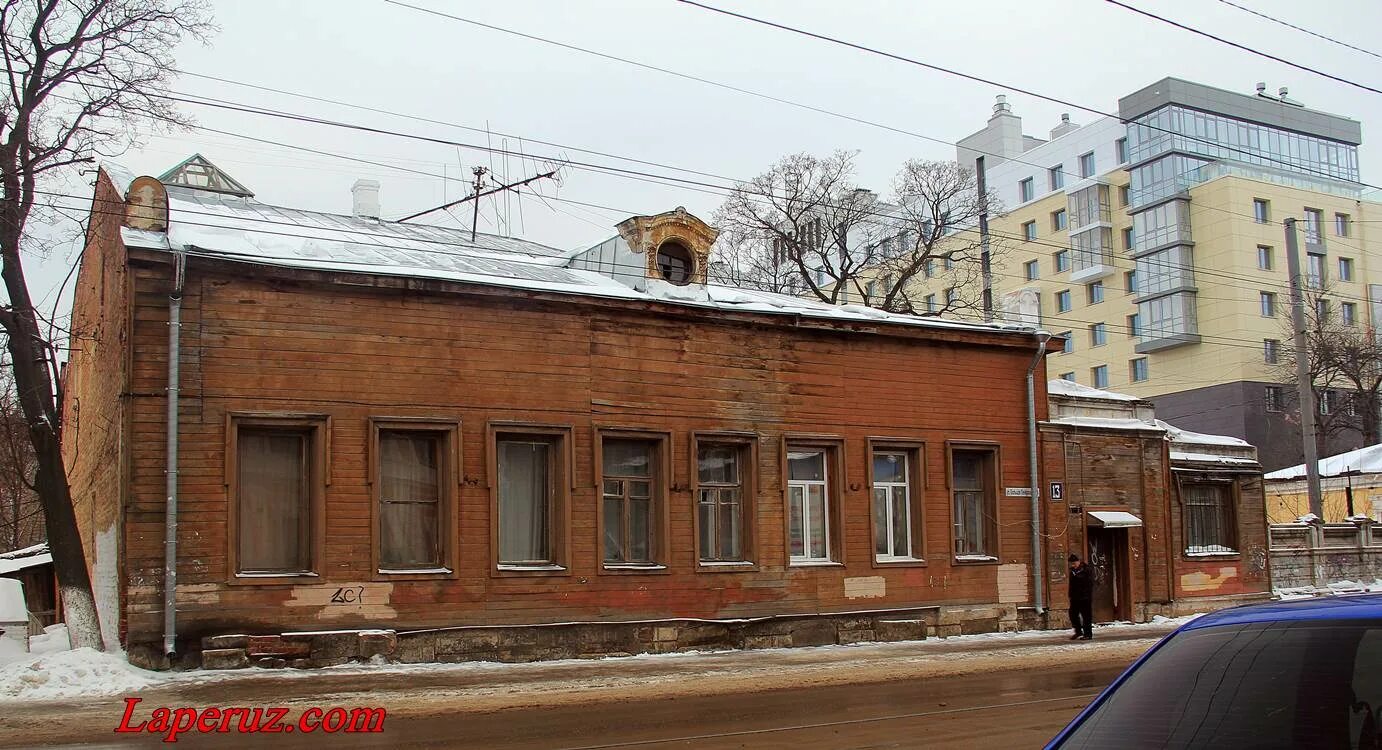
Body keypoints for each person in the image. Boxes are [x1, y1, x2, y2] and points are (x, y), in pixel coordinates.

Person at [1068, 553, 1094, 641]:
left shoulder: (1086, 570)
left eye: (1074, 563)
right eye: (1071, 563)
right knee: (1072, 614)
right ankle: (1078, 631)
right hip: (1075, 597)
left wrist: (1086, 594)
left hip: (1085, 597)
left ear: (1078, 562)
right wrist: (1070, 595)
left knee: (1086, 616)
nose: (1073, 565)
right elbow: (1072, 585)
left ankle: (1088, 634)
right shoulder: (1072, 571)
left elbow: (1089, 583)